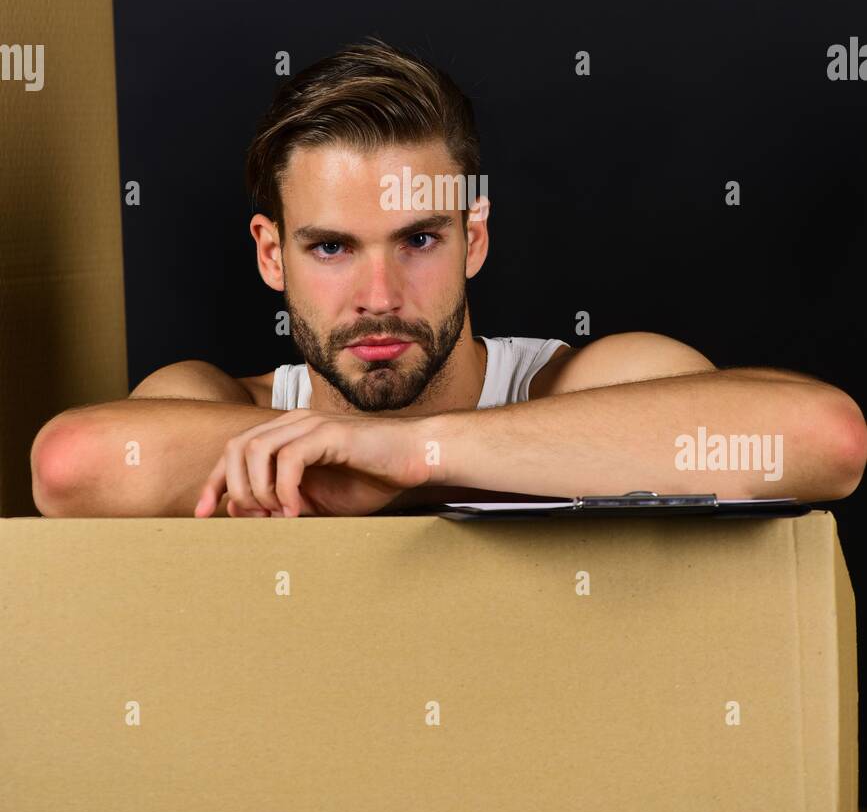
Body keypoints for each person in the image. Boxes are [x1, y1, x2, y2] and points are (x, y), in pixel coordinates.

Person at [31, 38, 867, 518]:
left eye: (418, 240)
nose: (380, 296)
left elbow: (826, 441)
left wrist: (411, 453)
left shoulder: (581, 384)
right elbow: (72, 466)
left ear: (474, 238)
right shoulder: (223, 405)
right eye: (330, 249)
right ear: (270, 255)